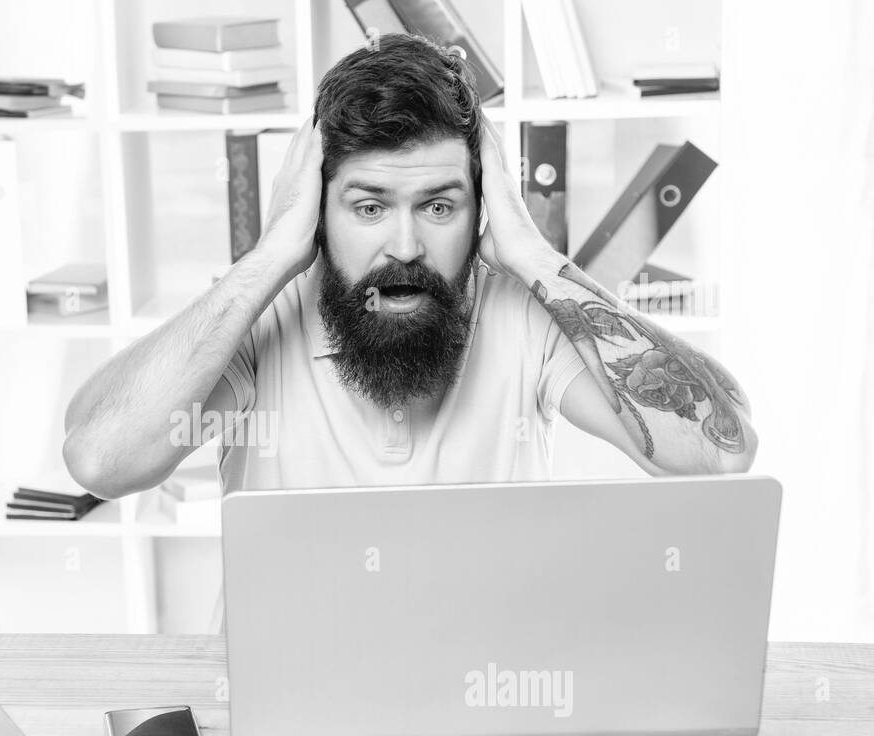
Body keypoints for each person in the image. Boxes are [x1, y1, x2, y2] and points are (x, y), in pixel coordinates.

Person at [63, 33, 756, 505]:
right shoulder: (260, 316)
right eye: (368, 207)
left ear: (481, 209)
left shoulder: (523, 316)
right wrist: (272, 251)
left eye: (439, 205)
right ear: (316, 212)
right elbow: (99, 459)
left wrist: (532, 253)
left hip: (486, 702)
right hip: (294, 707)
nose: (404, 246)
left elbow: (721, 451)